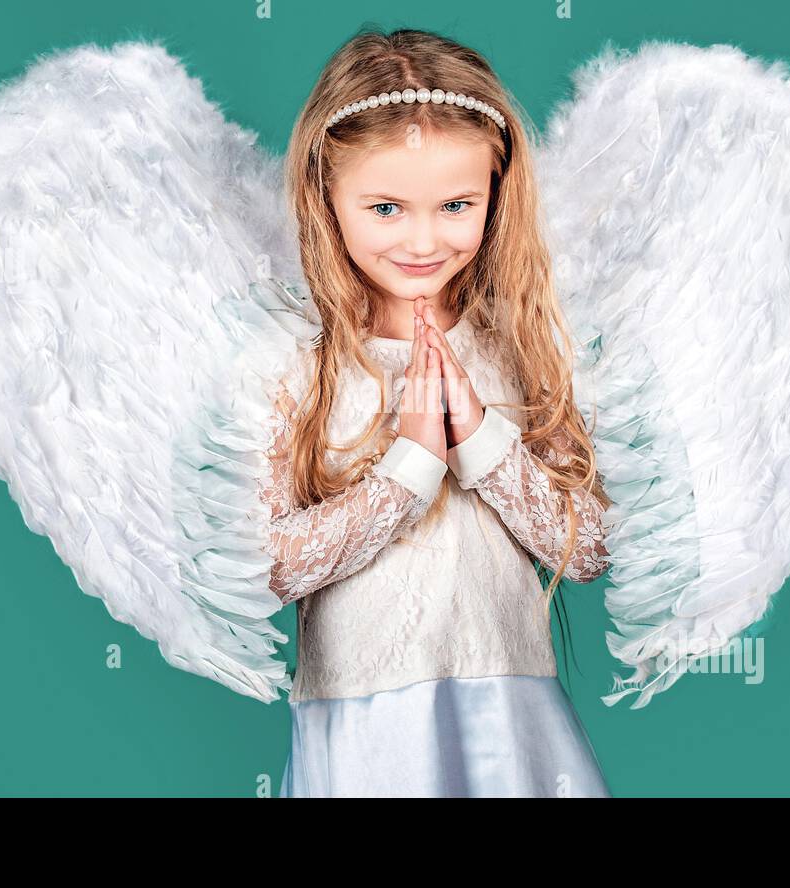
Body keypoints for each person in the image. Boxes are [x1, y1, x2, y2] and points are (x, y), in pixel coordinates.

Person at [260, 27, 614, 798]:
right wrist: (412, 464)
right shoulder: (295, 360)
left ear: (497, 190)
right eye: (386, 207)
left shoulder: (524, 342)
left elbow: (587, 551)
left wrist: (482, 439)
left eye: (457, 204)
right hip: (366, 729)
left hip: (511, 715)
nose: (423, 239)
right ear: (327, 194)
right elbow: (266, 566)